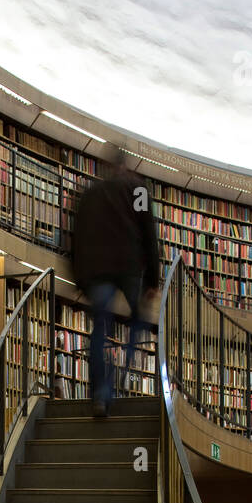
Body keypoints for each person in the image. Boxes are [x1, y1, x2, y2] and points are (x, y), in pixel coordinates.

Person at [71, 145, 161, 418]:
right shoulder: (138, 190)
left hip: (97, 271)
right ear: (126, 165)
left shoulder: (91, 194)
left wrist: (80, 278)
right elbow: (149, 234)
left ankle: (101, 392)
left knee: (99, 328)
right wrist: (153, 279)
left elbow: (76, 237)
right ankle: (124, 371)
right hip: (129, 267)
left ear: (105, 166)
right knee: (138, 321)